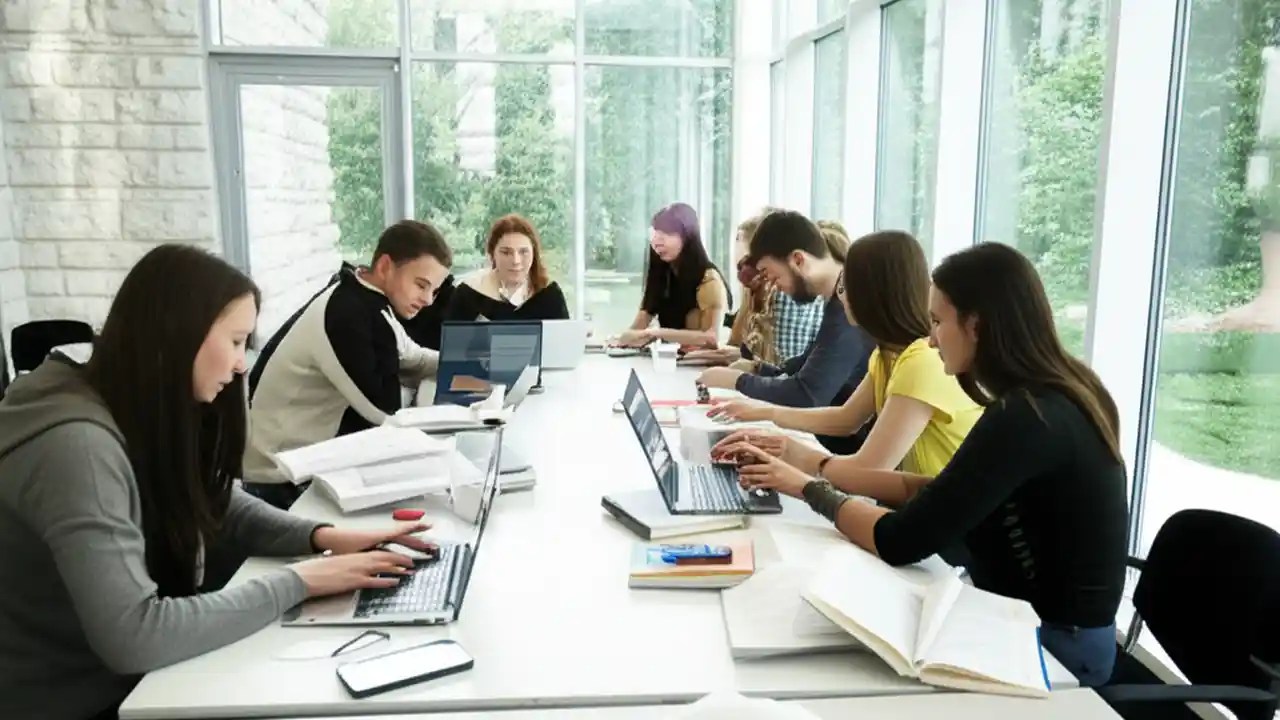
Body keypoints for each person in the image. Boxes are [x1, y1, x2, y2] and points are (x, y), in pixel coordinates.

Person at [0, 245, 438, 720]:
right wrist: (298, 581)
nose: (240, 364)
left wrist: (322, 537)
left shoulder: (127, 395)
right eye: (234, 341)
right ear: (177, 336)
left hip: (135, 685)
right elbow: (134, 635)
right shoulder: (76, 448)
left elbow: (210, 498)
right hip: (80, 701)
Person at [729, 242, 1128, 687]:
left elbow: (898, 540)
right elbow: (946, 491)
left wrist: (807, 488)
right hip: (1031, 619)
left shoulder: (1025, 418)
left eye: (939, 321)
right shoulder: (1057, 396)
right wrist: (804, 469)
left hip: (1054, 646)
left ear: (976, 325)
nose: (932, 336)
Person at [710, 230, 982, 491]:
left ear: (869, 293)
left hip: (936, 518)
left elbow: (870, 469)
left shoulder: (921, 361)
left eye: (845, 286)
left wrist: (791, 454)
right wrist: (763, 413)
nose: (841, 296)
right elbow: (845, 419)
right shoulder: (887, 354)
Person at [245, 220, 452, 509]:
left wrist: (474, 365)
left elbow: (413, 357)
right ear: (385, 267)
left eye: (435, 291)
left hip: (309, 461)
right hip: (278, 478)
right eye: (421, 285)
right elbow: (384, 413)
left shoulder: (370, 299)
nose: (428, 300)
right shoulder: (346, 314)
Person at [696, 210, 874, 453]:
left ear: (798, 260)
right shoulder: (837, 299)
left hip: (848, 452)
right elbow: (809, 366)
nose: (773, 285)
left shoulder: (849, 305)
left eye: (773, 274)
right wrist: (757, 368)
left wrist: (738, 381)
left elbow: (808, 395)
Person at [690, 210, 823, 368]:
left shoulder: (784, 291)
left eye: (748, 262)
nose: (744, 273)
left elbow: (781, 365)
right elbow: (752, 351)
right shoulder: (758, 289)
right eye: (740, 266)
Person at [615, 202, 730, 349]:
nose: (657, 241)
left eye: (668, 233)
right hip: (671, 363)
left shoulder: (708, 278)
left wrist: (656, 334)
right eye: (655, 233)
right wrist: (624, 338)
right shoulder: (663, 275)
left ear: (688, 237)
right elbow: (636, 330)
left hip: (700, 365)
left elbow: (711, 338)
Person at [445, 213, 570, 322]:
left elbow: (564, 344)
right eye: (506, 252)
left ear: (534, 253)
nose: (516, 261)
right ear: (492, 253)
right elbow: (454, 345)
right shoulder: (468, 294)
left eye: (523, 252)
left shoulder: (549, 294)